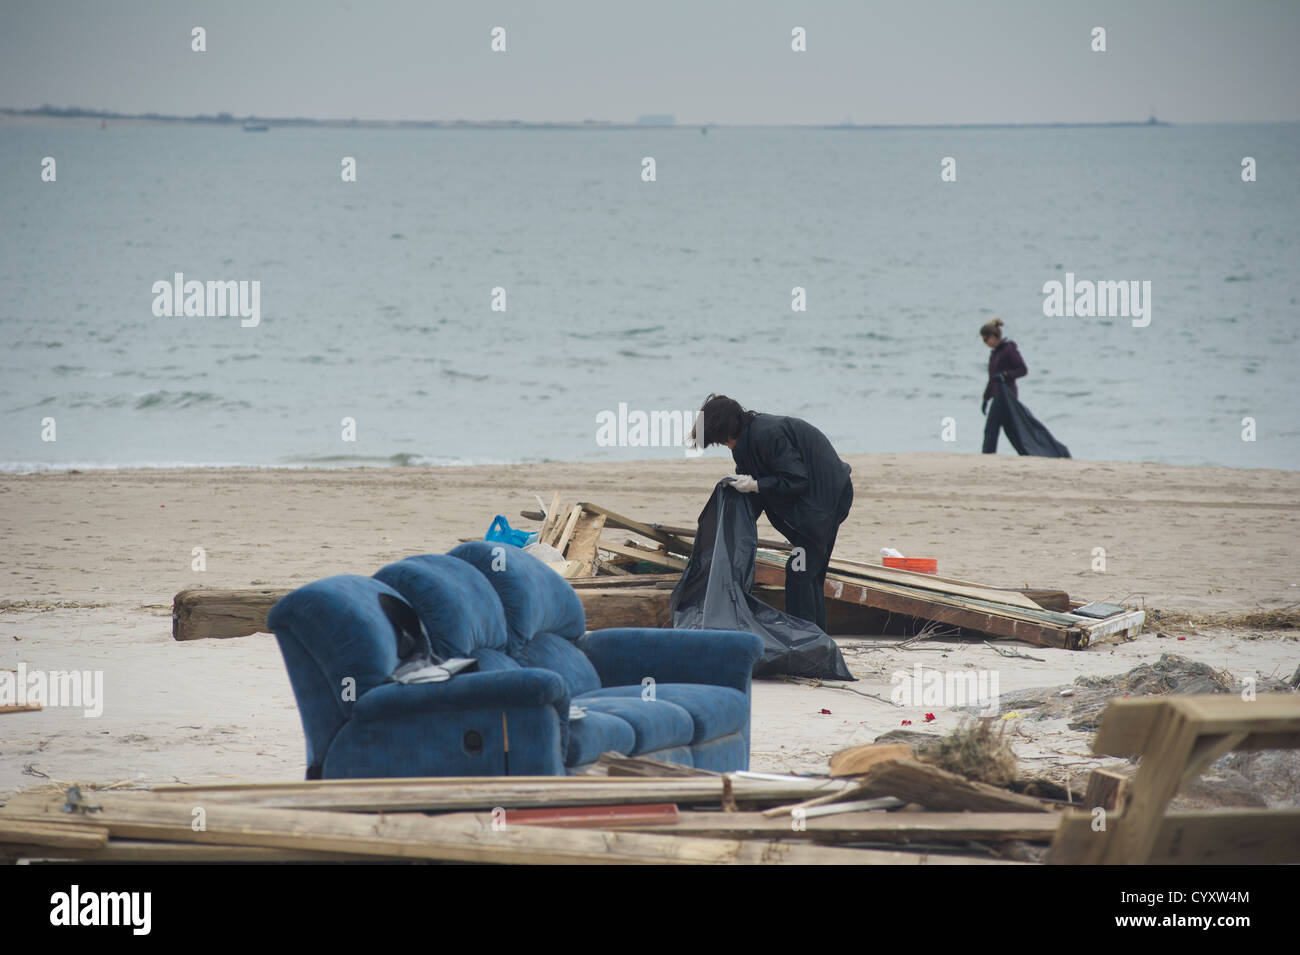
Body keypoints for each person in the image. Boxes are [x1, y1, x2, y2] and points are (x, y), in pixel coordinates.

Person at [691, 394, 853, 631]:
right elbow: (754, 500)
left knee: (800, 573)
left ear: (728, 428)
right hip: (811, 507)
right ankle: (818, 638)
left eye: (722, 440)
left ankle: (807, 641)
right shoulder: (743, 446)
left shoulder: (768, 434)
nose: (724, 446)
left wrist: (757, 485)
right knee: (810, 574)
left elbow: (796, 480)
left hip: (826, 501)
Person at [980, 318, 1028, 453]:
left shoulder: (1008, 349)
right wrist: (985, 398)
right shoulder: (995, 354)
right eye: (983, 340)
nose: (985, 343)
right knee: (1011, 429)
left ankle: (987, 455)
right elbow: (992, 379)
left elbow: (1023, 370)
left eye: (986, 339)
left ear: (995, 336)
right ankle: (1027, 453)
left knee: (991, 427)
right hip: (997, 395)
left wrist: (1006, 374)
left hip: (1007, 395)